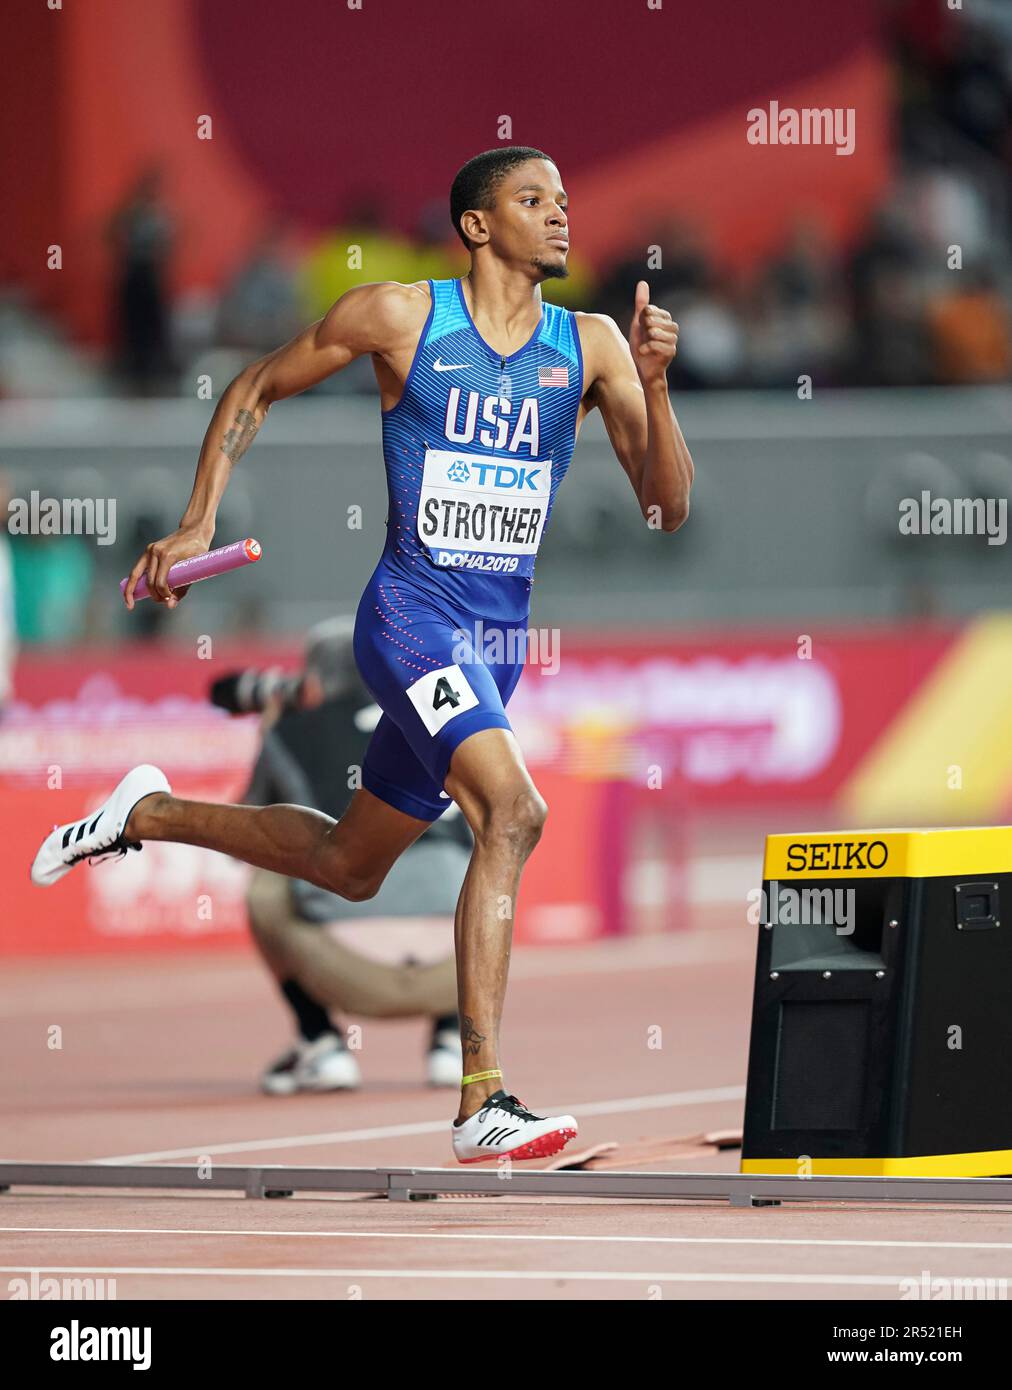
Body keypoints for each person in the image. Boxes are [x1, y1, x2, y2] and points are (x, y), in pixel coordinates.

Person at [31, 147, 694, 1164]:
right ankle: (482, 1097)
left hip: (495, 644)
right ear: (477, 225)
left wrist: (655, 386)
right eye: (532, 200)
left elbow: (664, 505)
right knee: (512, 809)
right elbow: (255, 384)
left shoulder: (594, 345)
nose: (559, 217)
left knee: (349, 866)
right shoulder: (400, 317)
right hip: (409, 618)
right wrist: (195, 517)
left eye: (562, 202)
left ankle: (144, 811)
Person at [232, 617, 467, 1094]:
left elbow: (249, 819)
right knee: (474, 869)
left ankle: (321, 1043)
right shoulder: (436, 714)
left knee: (267, 883)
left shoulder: (293, 727)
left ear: (314, 675)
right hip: (455, 966)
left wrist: (275, 719)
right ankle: (452, 1039)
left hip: (345, 967)